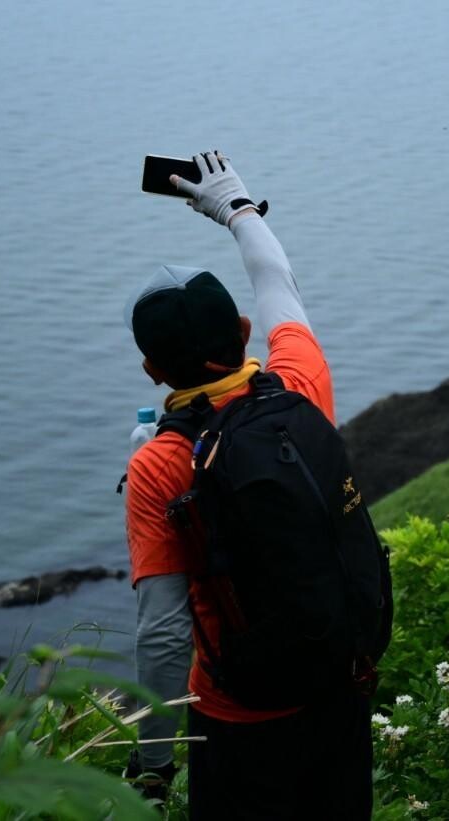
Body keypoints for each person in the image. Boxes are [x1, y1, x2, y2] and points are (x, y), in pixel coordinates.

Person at [122, 151, 373, 819]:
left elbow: (165, 634)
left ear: (152, 369)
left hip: (236, 719)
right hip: (339, 694)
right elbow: (277, 283)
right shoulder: (300, 384)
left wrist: (153, 760)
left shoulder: (159, 464)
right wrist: (235, 209)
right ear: (240, 332)